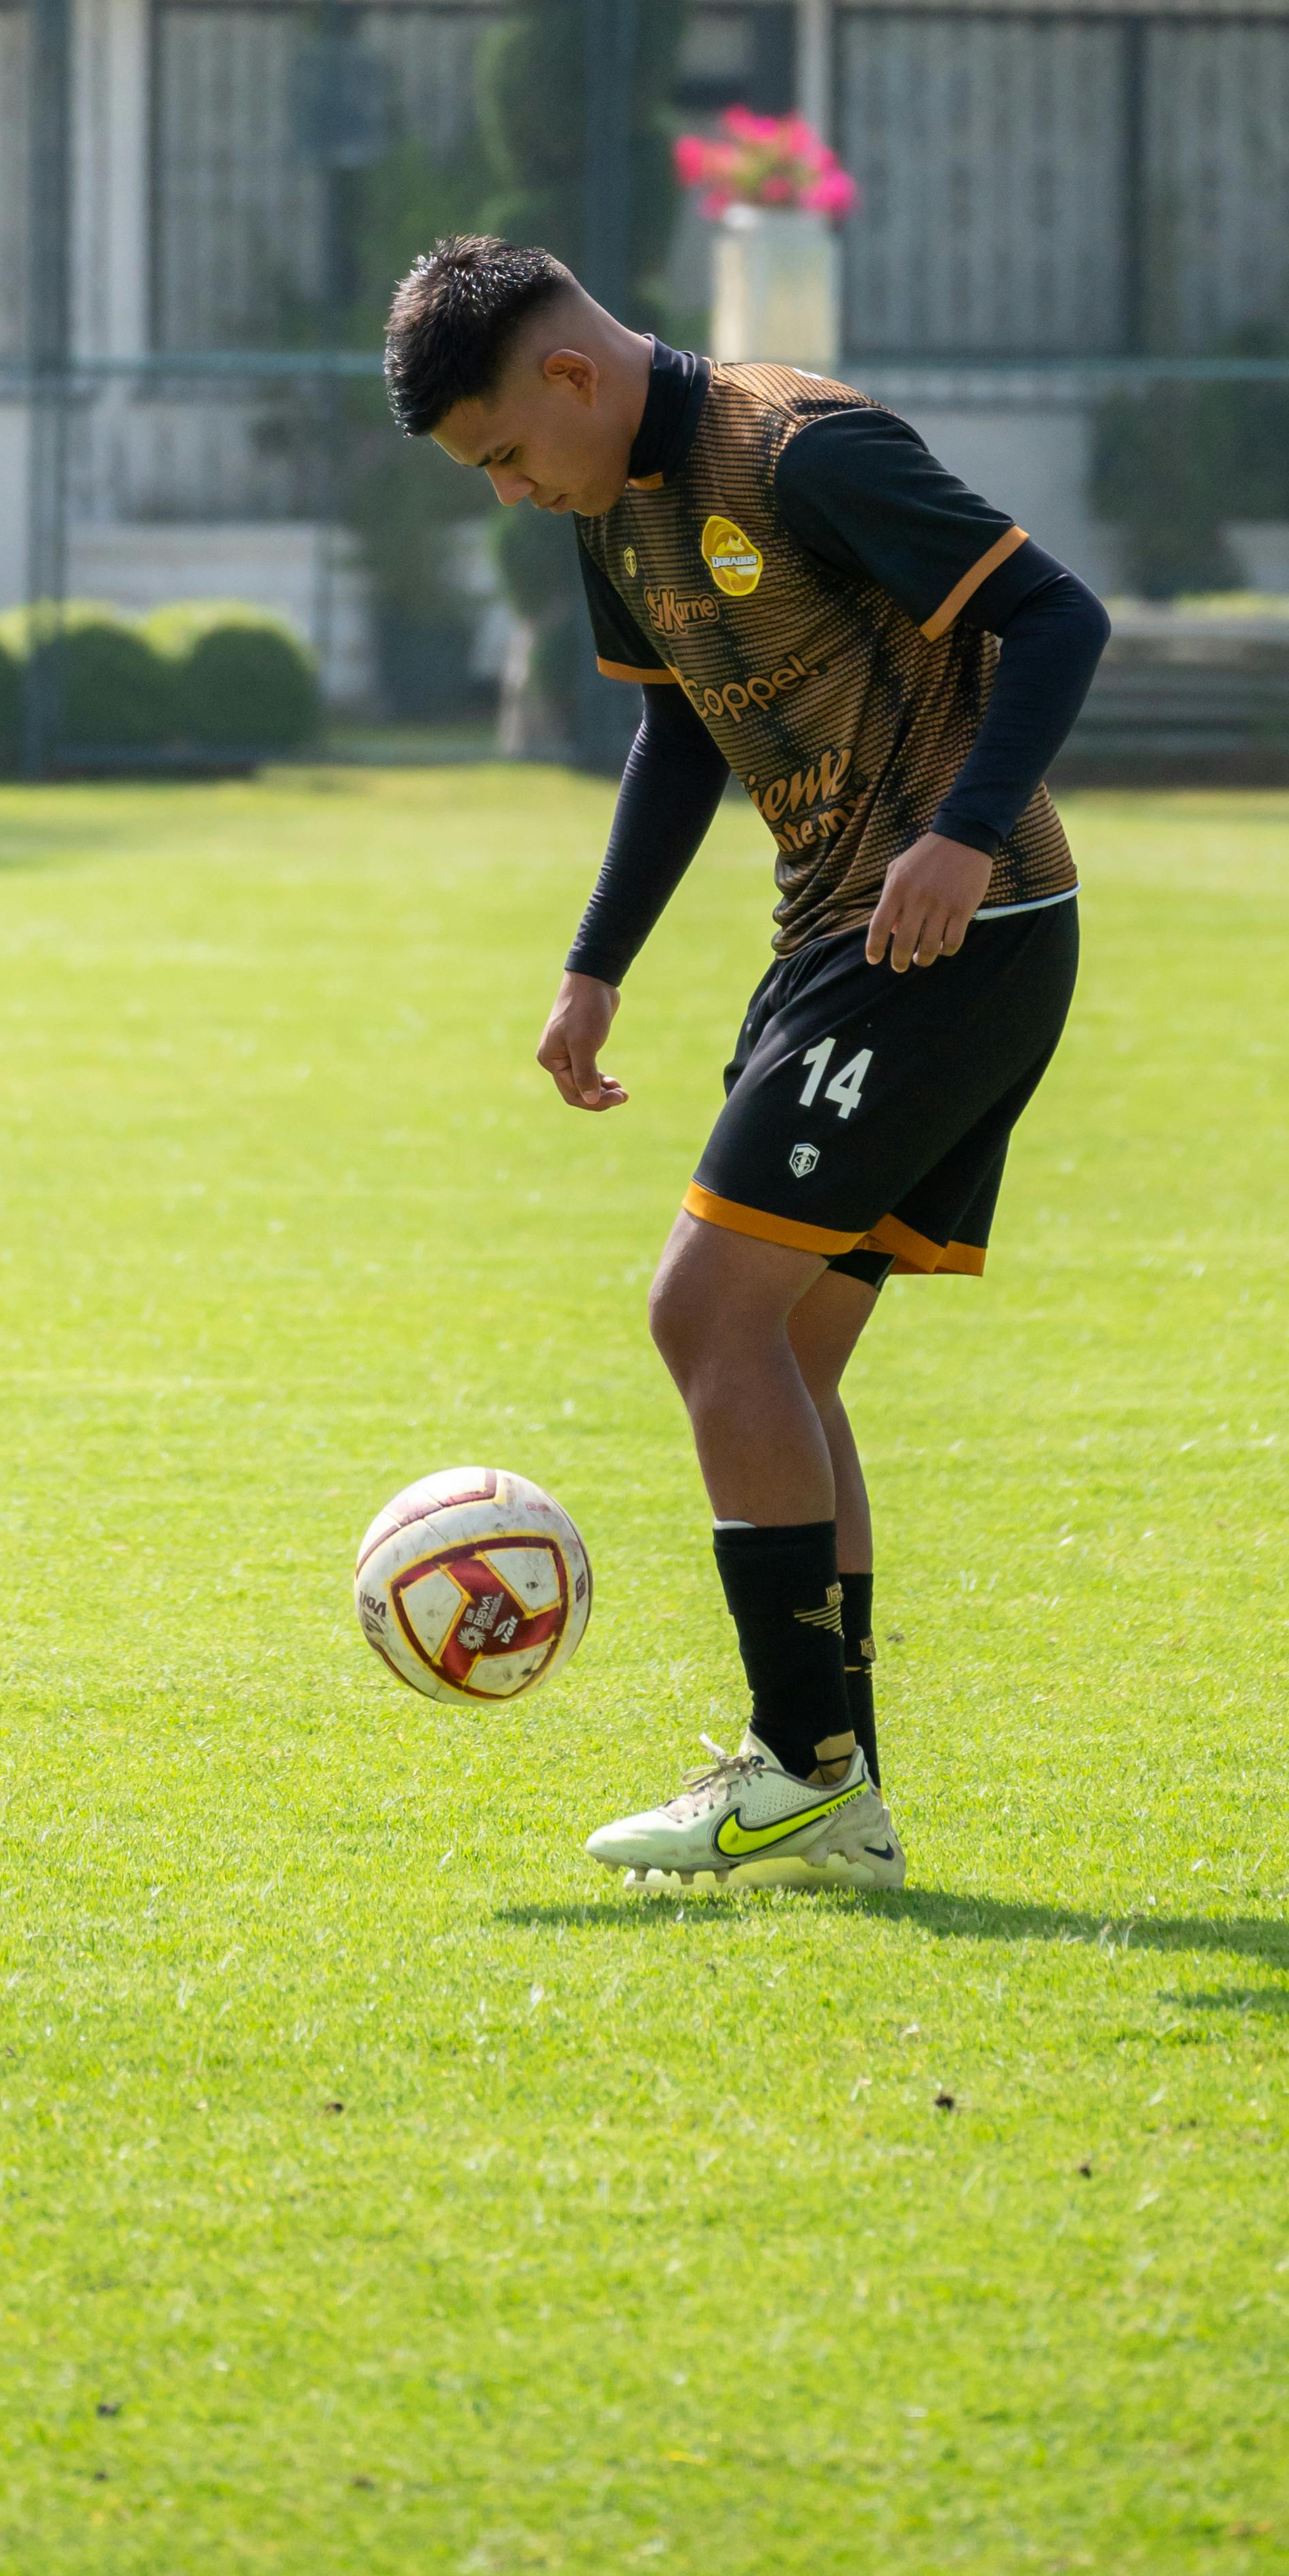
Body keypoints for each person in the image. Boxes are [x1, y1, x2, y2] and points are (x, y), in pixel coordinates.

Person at [383, 236, 1110, 1893]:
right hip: (840, 944)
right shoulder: (611, 503)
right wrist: (596, 962)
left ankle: (797, 1765)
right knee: (778, 1345)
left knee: (705, 1313)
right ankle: (840, 1794)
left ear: (572, 374)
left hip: (957, 936)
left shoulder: (799, 449)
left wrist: (961, 832)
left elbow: (1060, 614)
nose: (510, 493)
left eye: (505, 454)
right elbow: (674, 736)